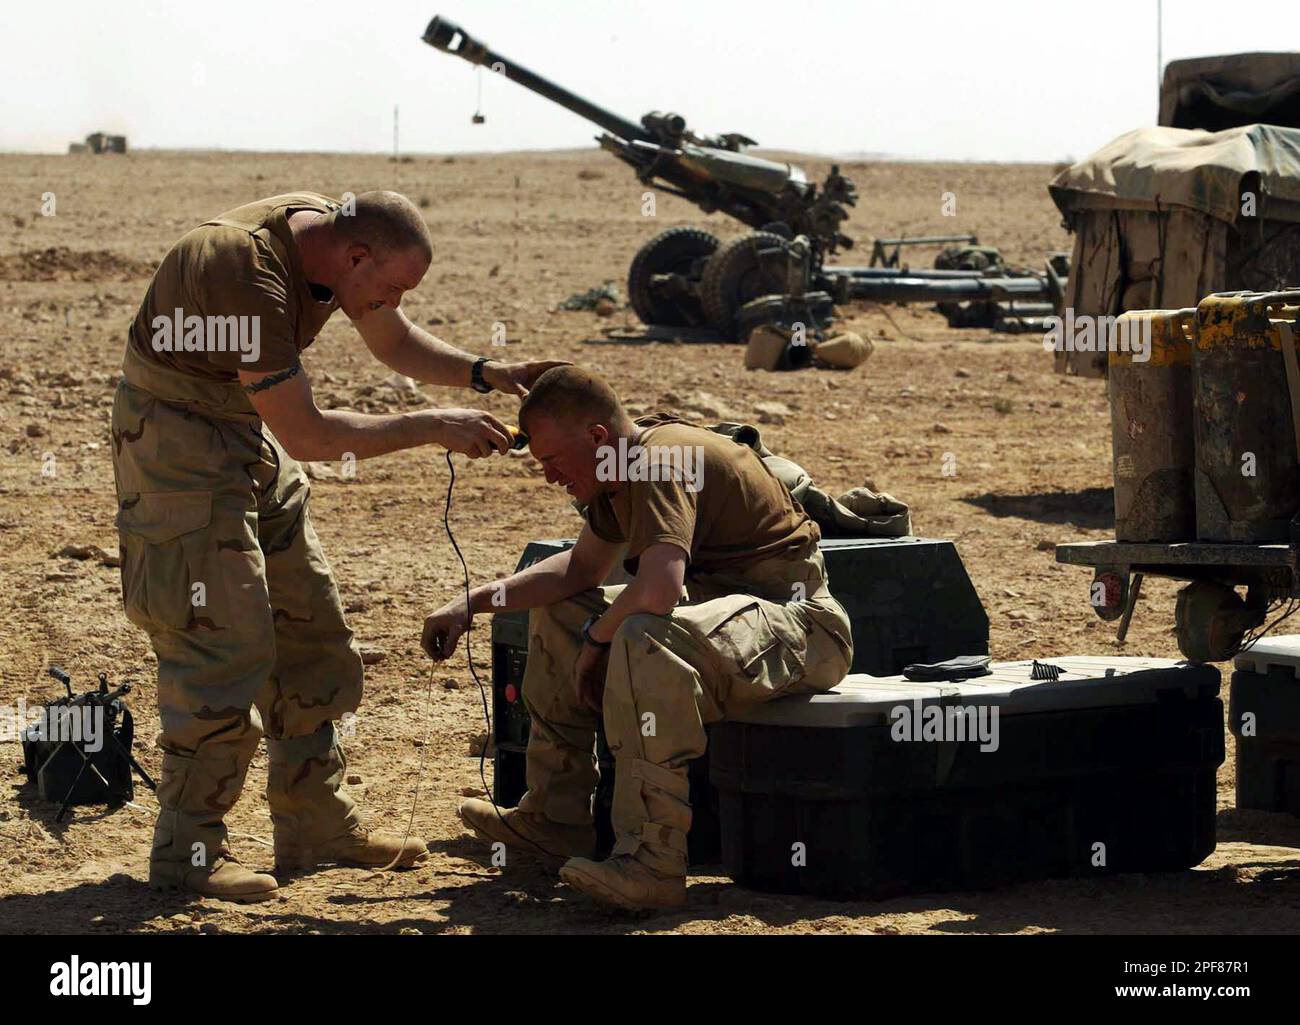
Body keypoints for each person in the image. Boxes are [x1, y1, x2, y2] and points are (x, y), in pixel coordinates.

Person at [112, 189, 563, 902]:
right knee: (220, 643)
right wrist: (430, 425)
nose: (394, 300)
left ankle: (314, 824)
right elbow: (311, 436)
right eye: (391, 285)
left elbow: (392, 339)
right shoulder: (244, 277)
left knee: (312, 628)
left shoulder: (326, 234)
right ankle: (187, 851)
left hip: (244, 428)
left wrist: (485, 373)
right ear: (356, 255)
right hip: (177, 442)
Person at [421, 366, 853, 909]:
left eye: (553, 462)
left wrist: (599, 641)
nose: (551, 478)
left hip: (801, 627)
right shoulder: (619, 468)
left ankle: (652, 863)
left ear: (598, 438)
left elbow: (658, 590)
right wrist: (473, 602)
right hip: (733, 620)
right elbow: (579, 571)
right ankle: (555, 820)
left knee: (645, 637)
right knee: (562, 613)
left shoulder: (658, 461)